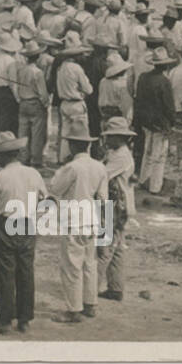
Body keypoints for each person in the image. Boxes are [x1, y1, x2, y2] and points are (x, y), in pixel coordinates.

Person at [0, 130, 45, 333]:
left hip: (6, 223)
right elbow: (45, 197)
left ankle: (5, 320)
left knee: (4, 272)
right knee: (26, 270)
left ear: (2, 155)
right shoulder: (33, 173)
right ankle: (24, 319)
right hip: (27, 222)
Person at [49, 132, 108, 324]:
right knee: (89, 263)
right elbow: (103, 197)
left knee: (72, 266)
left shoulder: (72, 167)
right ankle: (90, 304)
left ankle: (74, 310)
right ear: (88, 146)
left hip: (74, 218)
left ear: (73, 147)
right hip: (92, 217)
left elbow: (55, 188)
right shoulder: (100, 167)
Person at [97, 117, 136, 303]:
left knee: (105, 248)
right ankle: (116, 288)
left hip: (116, 206)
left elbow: (102, 174)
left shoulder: (121, 156)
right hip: (120, 204)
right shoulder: (116, 152)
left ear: (119, 137)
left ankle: (90, 290)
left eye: (110, 137)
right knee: (118, 247)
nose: (107, 140)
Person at [135, 47, 177, 194]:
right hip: (160, 122)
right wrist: (172, 121)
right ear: (165, 65)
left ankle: (143, 180)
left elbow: (138, 100)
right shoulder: (164, 82)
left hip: (146, 120)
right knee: (159, 156)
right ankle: (155, 186)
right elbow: (168, 105)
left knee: (148, 151)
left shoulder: (143, 77)